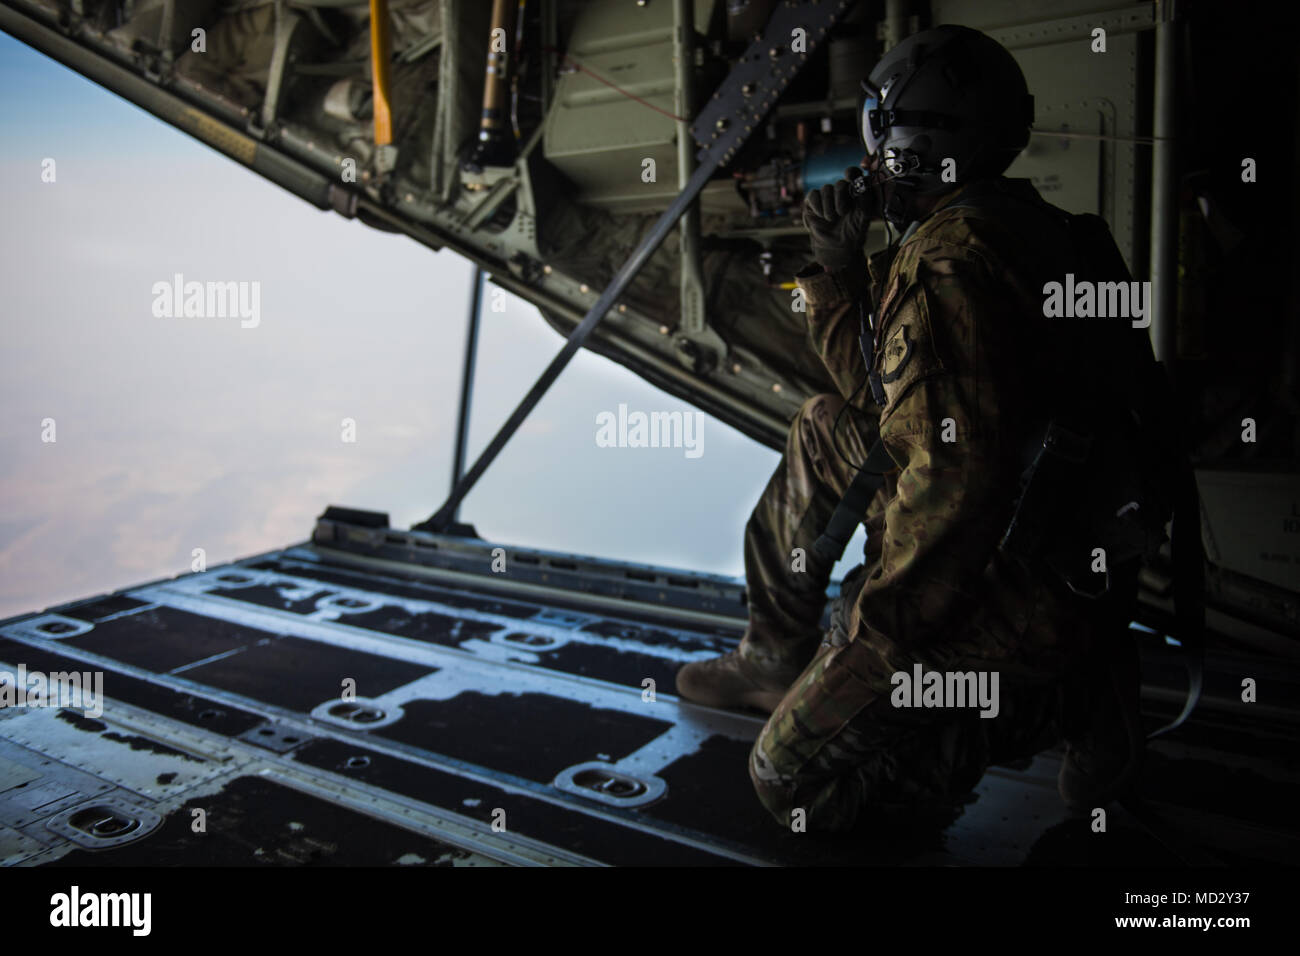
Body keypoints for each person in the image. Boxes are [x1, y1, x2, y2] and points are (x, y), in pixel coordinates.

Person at [675, 24, 1147, 831]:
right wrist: (837, 270)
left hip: (1008, 577)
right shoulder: (1031, 229)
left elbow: (952, 495)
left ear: (912, 146)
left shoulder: (948, 269)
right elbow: (888, 399)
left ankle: (1059, 700)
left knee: (788, 787)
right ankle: (770, 655)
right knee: (828, 427)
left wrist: (866, 647)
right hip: (1059, 541)